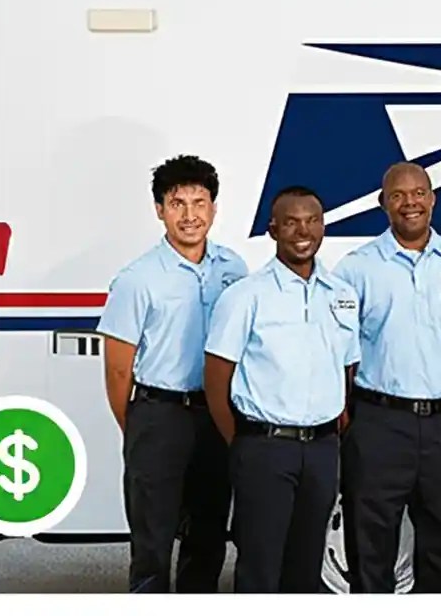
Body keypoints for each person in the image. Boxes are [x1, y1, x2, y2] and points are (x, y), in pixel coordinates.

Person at [96, 155, 248, 594]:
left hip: (217, 415)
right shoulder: (138, 279)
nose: (189, 214)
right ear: (159, 209)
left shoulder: (233, 270)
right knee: (153, 538)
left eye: (199, 202)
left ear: (214, 208)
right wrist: (139, 426)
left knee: (209, 533)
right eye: (177, 203)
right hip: (158, 414)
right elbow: (118, 369)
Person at [332, 161, 441, 593]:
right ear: (383, 204)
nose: (410, 203)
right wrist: (346, 414)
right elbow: (342, 353)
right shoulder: (355, 268)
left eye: (418, 193)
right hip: (379, 421)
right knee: (370, 543)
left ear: (433, 198)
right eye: (398, 195)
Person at [201, 185, 358, 593]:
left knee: (307, 566)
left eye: (311, 221)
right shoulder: (245, 296)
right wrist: (242, 444)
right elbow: (217, 375)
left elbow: (347, 364)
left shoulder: (342, 295)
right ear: (273, 230)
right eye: (291, 222)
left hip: (322, 450)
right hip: (265, 449)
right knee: (260, 564)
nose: (302, 231)